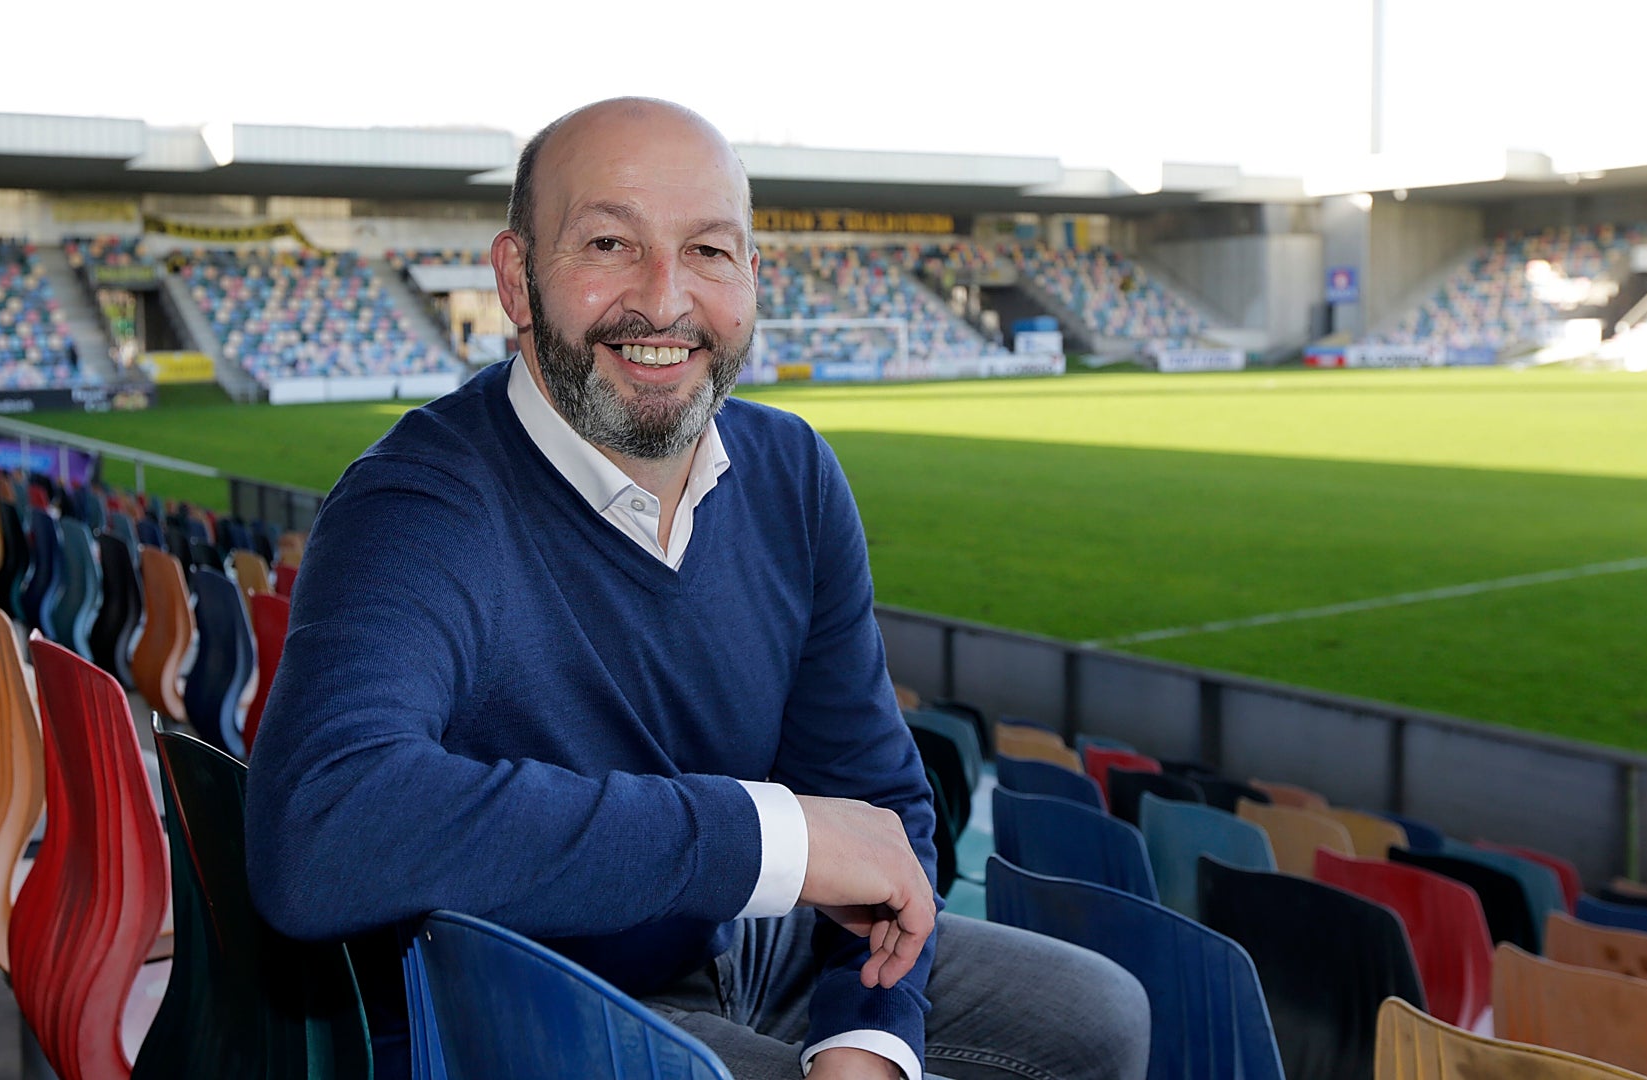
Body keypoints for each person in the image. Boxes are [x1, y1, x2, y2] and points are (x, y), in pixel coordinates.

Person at [245, 97, 1149, 1080]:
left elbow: (876, 805)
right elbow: (321, 829)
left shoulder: (792, 474)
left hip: (737, 936)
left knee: (1100, 1012)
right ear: (516, 279)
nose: (665, 299)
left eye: (709, 252)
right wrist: (769, 836)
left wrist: (868, 1037)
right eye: (608, 242)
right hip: (515, 989)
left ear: (752, 279)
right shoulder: (420, 502)